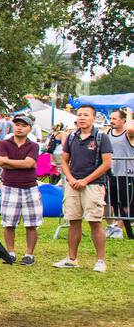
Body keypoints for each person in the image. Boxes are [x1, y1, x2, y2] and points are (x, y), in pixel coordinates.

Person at [54, 104, 112, 272]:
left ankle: (100, 261)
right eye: (79, 115)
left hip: (93, 185)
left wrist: (86, 180)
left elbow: (107, 163)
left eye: (86, 115)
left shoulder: (101, 137)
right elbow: (64, 161)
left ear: (93, 118)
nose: (82, 118)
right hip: (73, 185)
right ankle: (72, 259)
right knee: (73, 221)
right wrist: (71, 179)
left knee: (95, 222)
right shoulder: (72, 137)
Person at [0, 112, 41, 265]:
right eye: (17, 124)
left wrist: (9, 162)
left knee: (31, 223)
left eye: (23, 125)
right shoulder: (4, 144)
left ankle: (29, 254)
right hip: (10, 186)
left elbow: (30, 164)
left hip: (30, 187)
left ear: (30, 129)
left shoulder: (34, 145)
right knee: (9, 222)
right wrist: (22, 163)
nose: (19, 128)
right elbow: (0, 163)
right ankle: (10, 252)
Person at [106, 107, 133, 239]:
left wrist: (129, 112)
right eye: (110, 118)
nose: (111, 121)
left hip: (127, 173)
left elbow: (131, 129)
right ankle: (115, 226)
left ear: (123, 121)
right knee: (113, 203)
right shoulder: (108, 132)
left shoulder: (128, 134)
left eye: (115, 118)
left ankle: (122, 229)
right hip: (111, 173)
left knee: (126, 204)